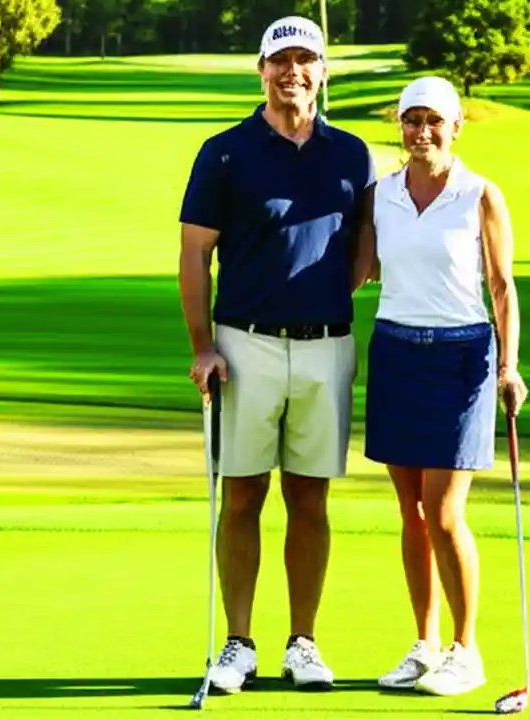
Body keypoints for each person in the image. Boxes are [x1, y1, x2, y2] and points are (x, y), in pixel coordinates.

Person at [177, 15, 376, 694]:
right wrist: (203, 345)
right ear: (260, 70)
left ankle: (304, 643)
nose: (293, 71)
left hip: (327, 347)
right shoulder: (225, 152)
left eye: (306, 60)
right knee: (242, 497)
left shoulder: (352, 154)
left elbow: (361, 253)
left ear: (324, 71)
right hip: (243, 345)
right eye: (280, 60)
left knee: (310, 499)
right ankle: (237, 644)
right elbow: (195, 253)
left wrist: (319, 296)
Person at [353, 75, 529, 697]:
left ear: (456, 127)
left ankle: (466, 649)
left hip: (462, 358)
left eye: (434, 121)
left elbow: (503, 289)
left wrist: (509, 366)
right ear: (399, 128)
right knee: (411, 511)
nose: (422, 132)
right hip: (396, 351)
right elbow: (356, 272)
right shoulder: (382, 195)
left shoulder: (480, 195)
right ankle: (425, 646)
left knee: (445, 512)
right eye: (411, 121)